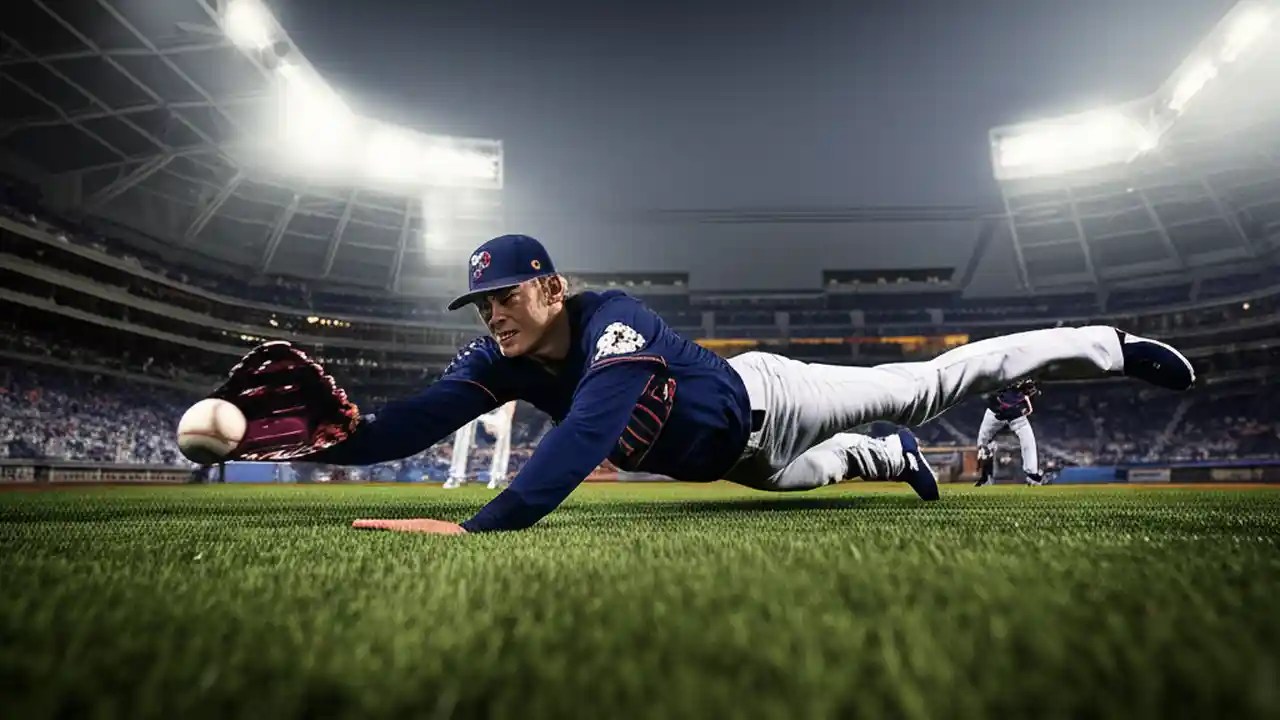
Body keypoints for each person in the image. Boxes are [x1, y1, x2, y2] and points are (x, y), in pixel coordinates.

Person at [207, 234, 1197, 534]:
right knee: (820, 480)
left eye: (509, 296)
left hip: (771, 398)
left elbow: (590, 426)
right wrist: (342, 437)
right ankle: (886, 461)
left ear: (552, 286)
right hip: (736, 467)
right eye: (483, 306)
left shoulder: (614, 317)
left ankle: (1104, 345)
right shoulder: (498, 361)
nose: (496, 315)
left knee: (928, 385)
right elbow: (412, 422)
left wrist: (485, 522)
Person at [974, 379, 1042, 487]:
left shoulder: (1023, 395)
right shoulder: (1001, 383)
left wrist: (1019, 410)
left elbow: (1028, 410)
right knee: (983, 445)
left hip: (1014, 416)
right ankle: (985, 476)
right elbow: (993, 396)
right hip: (995, 414)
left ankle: (1032, 474)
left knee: (1029, 440)